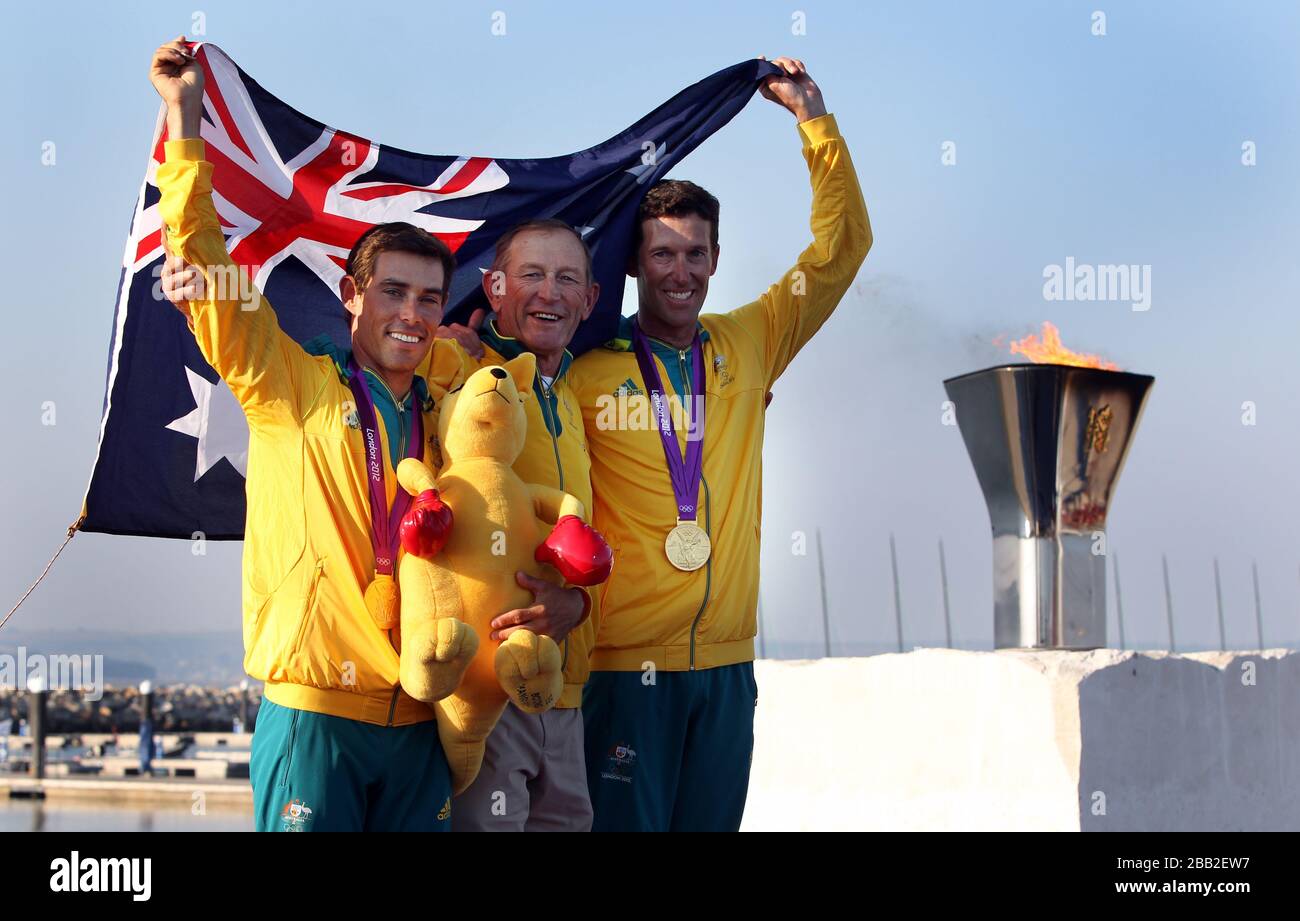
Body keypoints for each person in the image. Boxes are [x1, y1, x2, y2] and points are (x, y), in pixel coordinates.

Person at [149, 36, 470, 831]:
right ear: (350, 297)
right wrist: (184, 117)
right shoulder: (290, 383)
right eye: (393, 292)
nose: (412, 314)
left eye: (429, 299)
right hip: (315, 710)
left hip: (423, 715)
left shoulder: (453, 407)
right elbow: (205, 264)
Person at [566, 56, 873, 831]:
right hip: (622, 668)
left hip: (729, 668)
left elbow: (841, 251)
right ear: (634, 265)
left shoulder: (751, 341)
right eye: (663, 253)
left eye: (695, 253)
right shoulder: (585, 374)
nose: (680, 270)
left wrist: (814, 120)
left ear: (716, 259)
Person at [436, 220, 601, 831]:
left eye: (567, 279)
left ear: (591, 299)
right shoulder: (457, 368)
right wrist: (446, 350)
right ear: (494, 288)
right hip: (486, 688)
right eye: (532, 275)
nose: (549, 293)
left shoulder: (571, 393)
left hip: (568, 691)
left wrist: (575, 607)